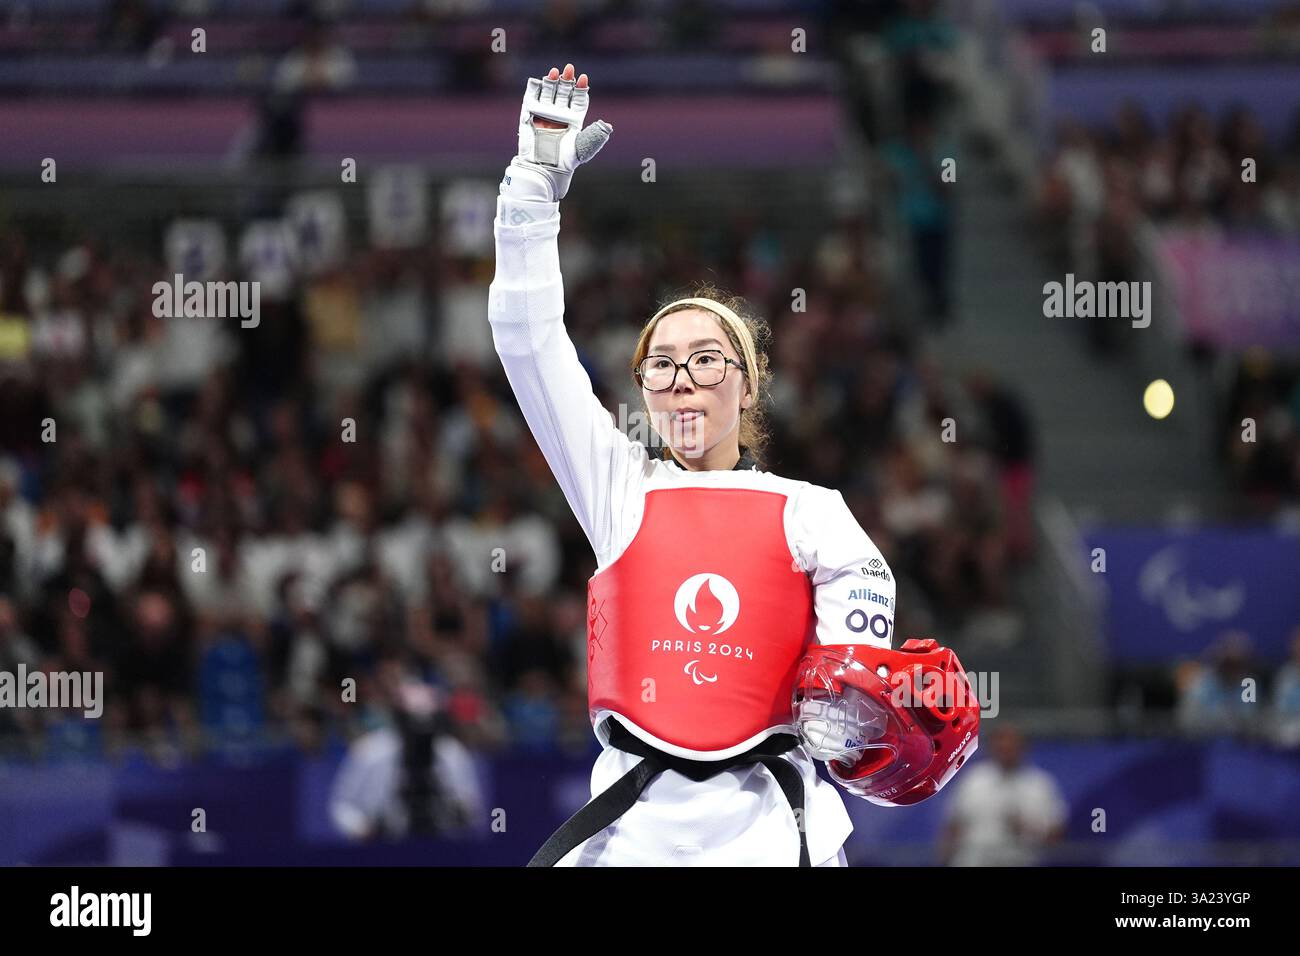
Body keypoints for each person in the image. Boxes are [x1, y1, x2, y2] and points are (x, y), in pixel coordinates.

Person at [489, 64, 975, 866]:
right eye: (661, 363)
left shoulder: (811, 511)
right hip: (630, 837)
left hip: (772, 836)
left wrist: (861, 707)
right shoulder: (619, 490)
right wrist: (532, 192)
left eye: (706, 359)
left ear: (748, 385)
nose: (681, 377)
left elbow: (852, 695)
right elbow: (527, 342)